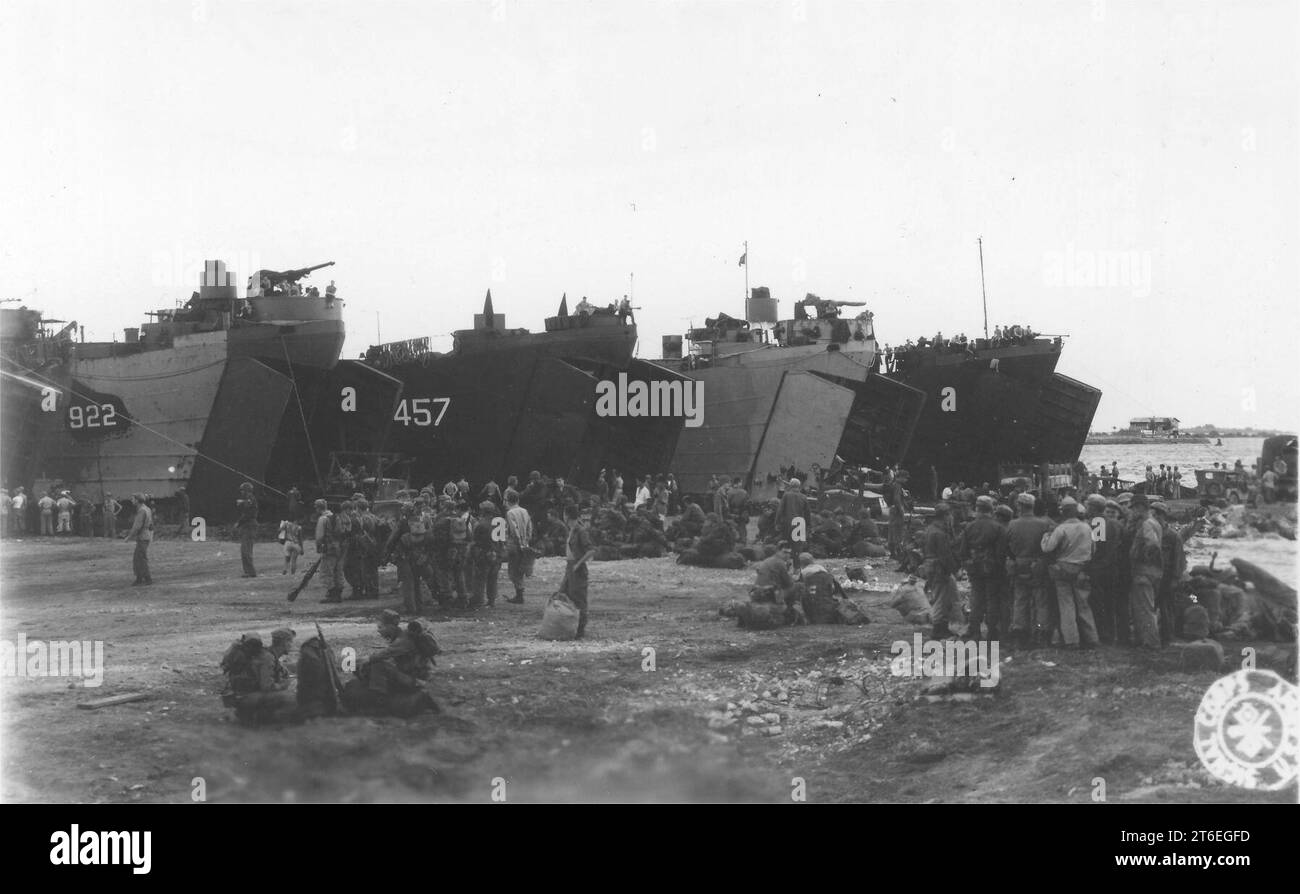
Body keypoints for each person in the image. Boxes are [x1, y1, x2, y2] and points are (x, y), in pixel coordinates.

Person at [342, 610, 440, 716]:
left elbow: (383, 654)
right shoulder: (402, 637)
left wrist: (360, 661)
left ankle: (378, 698)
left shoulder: (403, 640)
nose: (378, 631)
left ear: (390, 627)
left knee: (378, 665)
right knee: (373, 666)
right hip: (411, 676)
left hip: (415, 680)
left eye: (380, 627)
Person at [1040, 497, 1098, 649]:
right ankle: (1092, 638)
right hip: (1082, 569)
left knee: (1067, 605)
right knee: (1084, 605)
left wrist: (1046, 536)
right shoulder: (1087, 527)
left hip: (1062, 570)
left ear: (1063, 512)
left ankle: (1072, 640)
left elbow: (1048, 548)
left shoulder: (1061, 529)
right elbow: (1093, 549)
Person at [1005, 493, 1053, 649]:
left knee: (1020, 600)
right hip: (1038, 565)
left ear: (1019, 506)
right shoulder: (1043, 524)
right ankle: (1041, 634)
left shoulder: (1012, 524)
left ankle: (1020, 634)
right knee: (1041, 601)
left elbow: (1007, 546)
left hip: (1019, 564)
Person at [221, 629, 298, 725]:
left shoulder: (269, 655)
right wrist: (284, 685)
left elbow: (283, 673)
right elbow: (267, 687)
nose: (291, 645)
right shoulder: (268, 658)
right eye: (290, 641)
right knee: (290, 698)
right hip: (246, 698)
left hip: (245, 695)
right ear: (284, 643)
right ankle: (252, 719)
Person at [957, 495, 1006, 640]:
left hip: (974, 568)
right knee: (992, 599)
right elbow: (1001, 552)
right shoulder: (998, 527)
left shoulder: (969, 526)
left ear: (977, 509)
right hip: (992, 567)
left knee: (976, 598)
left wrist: (968, 564)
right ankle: (992, 631)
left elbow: (962, 552)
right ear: (991, 509)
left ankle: (975, 631)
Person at [1127, 494, 1164, 649]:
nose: (1132, 512)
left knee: (1145, 608)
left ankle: (1151, 643)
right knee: (1145, 607)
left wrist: (1141, 556)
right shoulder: (1155, 523)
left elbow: (1152, 545)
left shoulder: (1146, 524)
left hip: (1144, 571)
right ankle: (1145, 640)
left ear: (1140, 507)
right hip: (1153, 571)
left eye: (1134, 508)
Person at [922, 503, 963, 638]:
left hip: (932, 565)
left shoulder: (930, 529)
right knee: (941, 598)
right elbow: (945, 555)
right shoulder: (939, 533)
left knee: (948, 596)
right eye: (949, 515)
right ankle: (938, 629)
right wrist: (955, 570)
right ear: (945, 516)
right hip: (939, 567)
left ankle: (942, 627)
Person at [560, 503, 596, 638]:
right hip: (570, 567)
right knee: (564, 594)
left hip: (577, 568)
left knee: (579, 599)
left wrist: (578, 564)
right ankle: (568, 627)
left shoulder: (580, 531)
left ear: (567, 515)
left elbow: (591, 551)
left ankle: (580, 630)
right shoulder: (572, 529)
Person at [470, 501, 504, 608]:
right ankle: (491, 600)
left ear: (483, 511)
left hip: (484, 553)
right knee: (493, 578)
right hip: (497, 553)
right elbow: (502, 540)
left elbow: (475, 540)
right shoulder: (500, 522)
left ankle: (479, 600)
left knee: (480, 578)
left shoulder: (480, 524)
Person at [503, 490, 533, 604]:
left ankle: (519, 595)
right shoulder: (524, 511)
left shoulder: (510, 513)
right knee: (520, 568)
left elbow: (514, 529)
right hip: (525, 543)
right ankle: (519, 594)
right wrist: (526, 540)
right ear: (518, 500)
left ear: (508, 501)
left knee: (513, 570)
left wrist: (519, 542)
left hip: (515, 545)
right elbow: (530, 526)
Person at [314, 499, 346, 604]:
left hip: (329, 547)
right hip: (339, 547)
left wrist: (319, 547)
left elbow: (319, 537)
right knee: (338, 570)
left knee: (327, 571)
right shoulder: (336, 517)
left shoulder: (322, 519)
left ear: (318, 508)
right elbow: (342, 531)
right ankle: (338, 593)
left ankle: (332, 594)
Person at [752, 542, 798, 607]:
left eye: (789, 553)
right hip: (769, 593)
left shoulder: (767, 560)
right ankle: (790, 609)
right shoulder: (780, 563)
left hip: (758, 591)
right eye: (785, 552)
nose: (787, 555)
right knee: (797, 586)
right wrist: (791, 574)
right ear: (778, 551)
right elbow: (788, 583)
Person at [123, 492, 154, 585]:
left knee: (140, 558)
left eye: (133, 499)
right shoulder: (147, 509)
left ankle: (146, 578)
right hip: (146, 535)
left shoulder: (141, 510)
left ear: (137, 500)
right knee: (138, 557)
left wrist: (129, 536)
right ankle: (140, 578)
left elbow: (137, 526)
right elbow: (151, 524)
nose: (132, 500)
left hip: (142, 536)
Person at [775, 478, 810, 545]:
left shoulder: (786, 495)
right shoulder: (804, 497)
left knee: (786, 544)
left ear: (790, 486)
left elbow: (780, 510)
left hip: (788, 523)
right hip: (799, 524)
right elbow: (807, 513)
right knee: (797, 546)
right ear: (799, 486)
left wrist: (777, 522)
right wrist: (808, 525)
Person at [235, 483, 258, 577]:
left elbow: (248, 512)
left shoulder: (250, 498)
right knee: (245, 549)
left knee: (246, 549)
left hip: (249, 525)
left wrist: (238, 523)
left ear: (246, 490)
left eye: (242, 490)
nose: (241, 492)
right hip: (248, 525)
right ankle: (248, 571)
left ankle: (250, 572)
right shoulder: (249, 498)